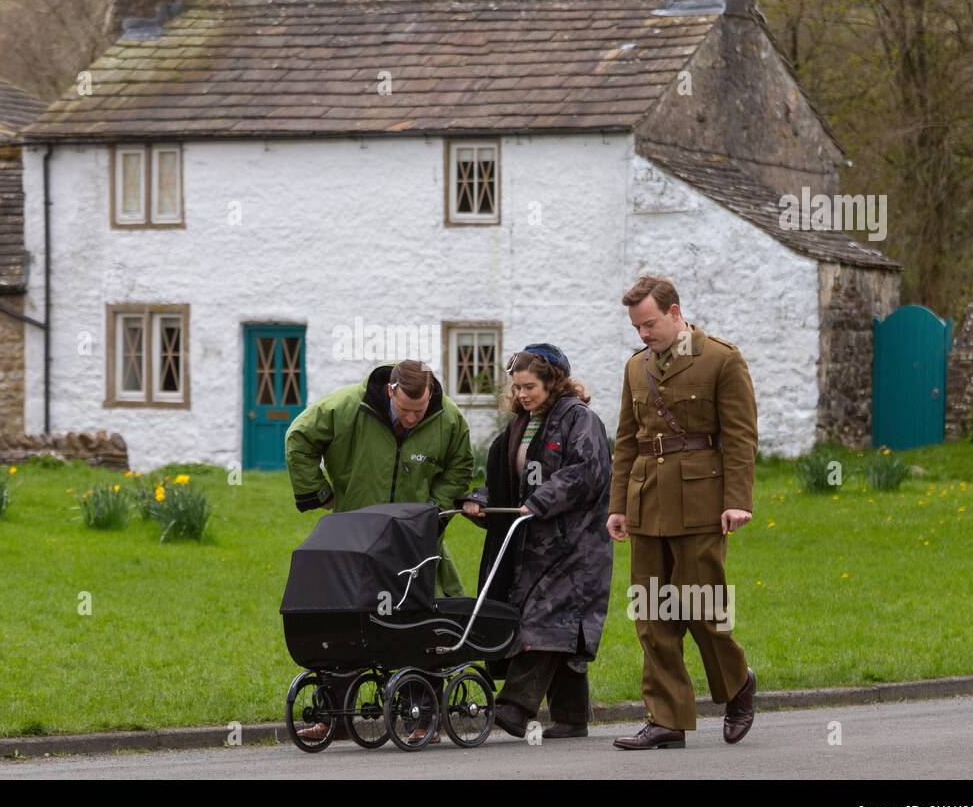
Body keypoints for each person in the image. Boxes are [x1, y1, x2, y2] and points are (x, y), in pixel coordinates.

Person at [285, 359, 475, 743]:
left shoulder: (449, 419)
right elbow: (298, 439)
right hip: (354, 538)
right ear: (391, 391)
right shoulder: (344, 407)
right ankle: (336, 718)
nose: (411, 419)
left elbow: (461, 467)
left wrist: (432, 511)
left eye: (419, 412)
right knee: (346, 620)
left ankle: (424, 718)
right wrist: (320, 494)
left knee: (421, 621)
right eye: (405, 410)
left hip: (413, 540)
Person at [606, 276, 758, 749]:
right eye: (636, 327)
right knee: (650, 614)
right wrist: (617, 508)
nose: (643, 334)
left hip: (701, 504)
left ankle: (737, 684)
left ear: (675, 313)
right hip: (646, 500)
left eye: (649, 323)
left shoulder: (720, 359)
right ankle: (667, 719)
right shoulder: (636, 367)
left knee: (700, 606)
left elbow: (740, 437)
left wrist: (737, 500)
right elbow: (627, 442)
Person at [462, 343, 613, 739]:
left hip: (574, 545)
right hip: (533, 542)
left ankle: (514, 708)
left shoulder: (580, 420)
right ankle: (572, 718)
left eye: (529, 386)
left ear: (553, 382)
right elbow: (508, 482)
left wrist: (540, 500)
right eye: (516, 388)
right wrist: (480, 501)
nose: (522, 394)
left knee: (542, 622)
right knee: (561, 630)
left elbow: (588, 471)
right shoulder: (521, 424)